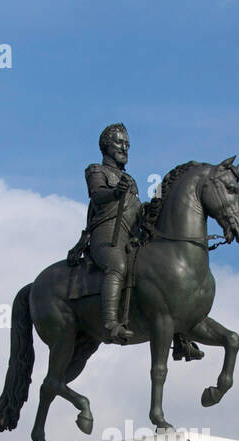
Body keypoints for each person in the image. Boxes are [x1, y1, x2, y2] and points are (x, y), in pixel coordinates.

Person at [84, 123, 140, 344]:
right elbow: (97, 195)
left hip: (131, 237)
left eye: (127, 144)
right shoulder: (96, 170)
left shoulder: (131, 180)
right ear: (106, 145)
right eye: (119, 142)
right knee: (117, 265)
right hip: (107, 234)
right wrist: (116, 191)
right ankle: (109, 324)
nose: (124, 147)